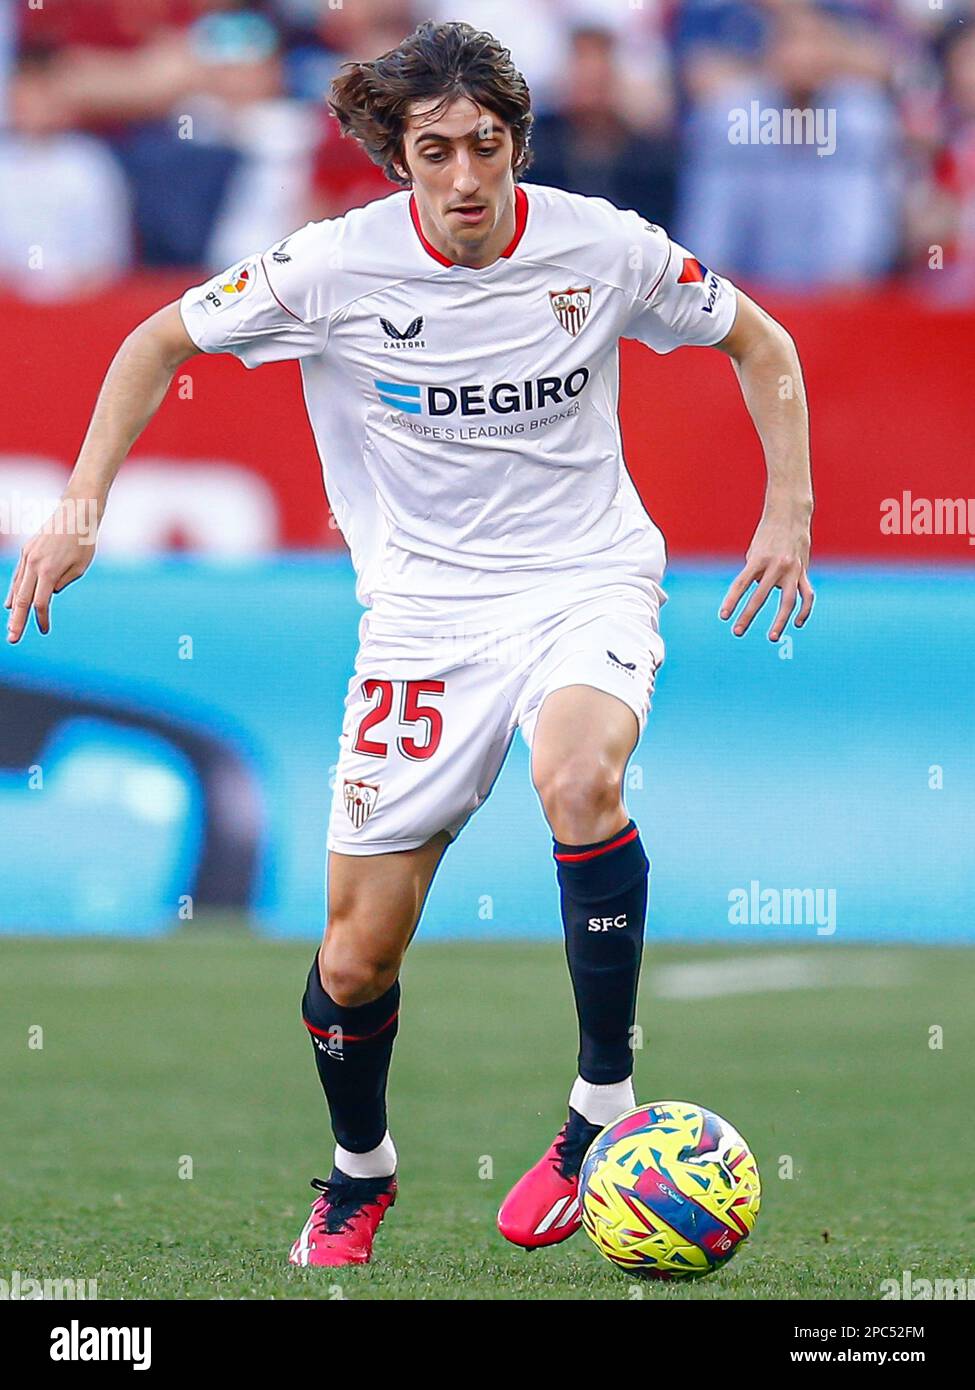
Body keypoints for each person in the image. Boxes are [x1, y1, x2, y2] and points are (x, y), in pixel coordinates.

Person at [4, 20, 814, 1269]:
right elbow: (152, 343)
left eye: (487, 147)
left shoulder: (601, 246)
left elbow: (764, 341)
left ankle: (600, 1106)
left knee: (580, 775)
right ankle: (359, 1168)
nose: (467, 178)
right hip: (423, 623)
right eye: (436, 152)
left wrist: (789, 514)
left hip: (583, 577)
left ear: (518, 145)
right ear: (399, 159)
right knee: (355, 951)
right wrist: (80, 506)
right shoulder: (331, 266)